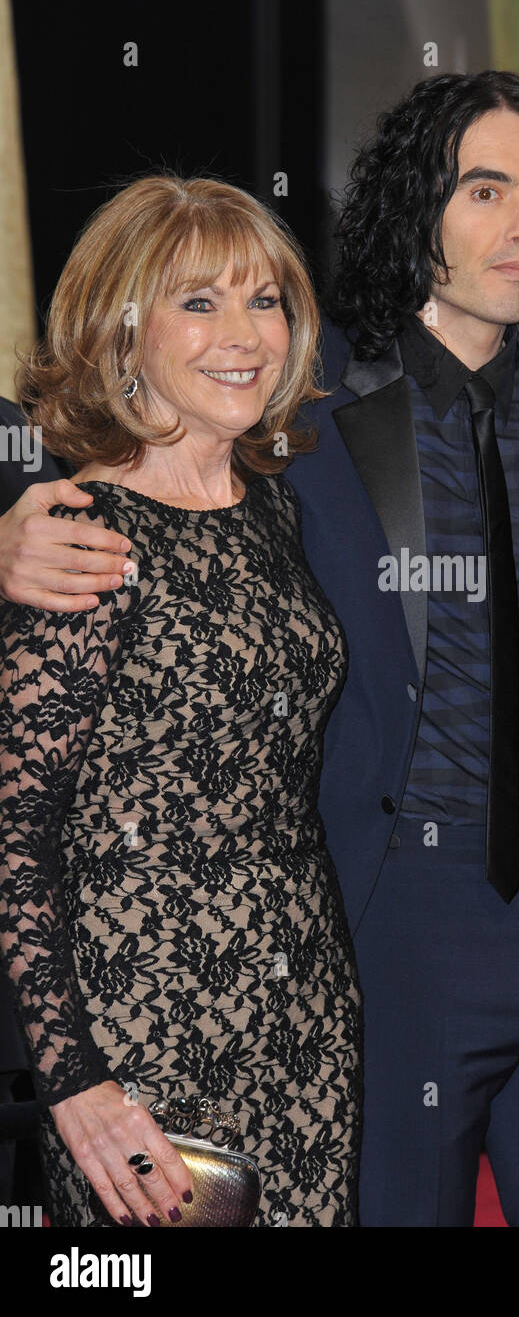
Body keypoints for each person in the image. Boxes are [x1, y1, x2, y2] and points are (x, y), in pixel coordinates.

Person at [0, 72, 519, 1227]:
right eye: (487, 190)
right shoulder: (293, 394)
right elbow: (136, 470)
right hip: (386, 935)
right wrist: (12, 529)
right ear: (418, 206)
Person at [0, 176, 361, 1228]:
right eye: (198, 303)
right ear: (124, 329)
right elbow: (18, 835)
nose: (243, 334)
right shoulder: (82, 535)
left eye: (266, 299)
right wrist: (73, 1084)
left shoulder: (275, 513)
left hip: (307, 1007)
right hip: (140, 1024)